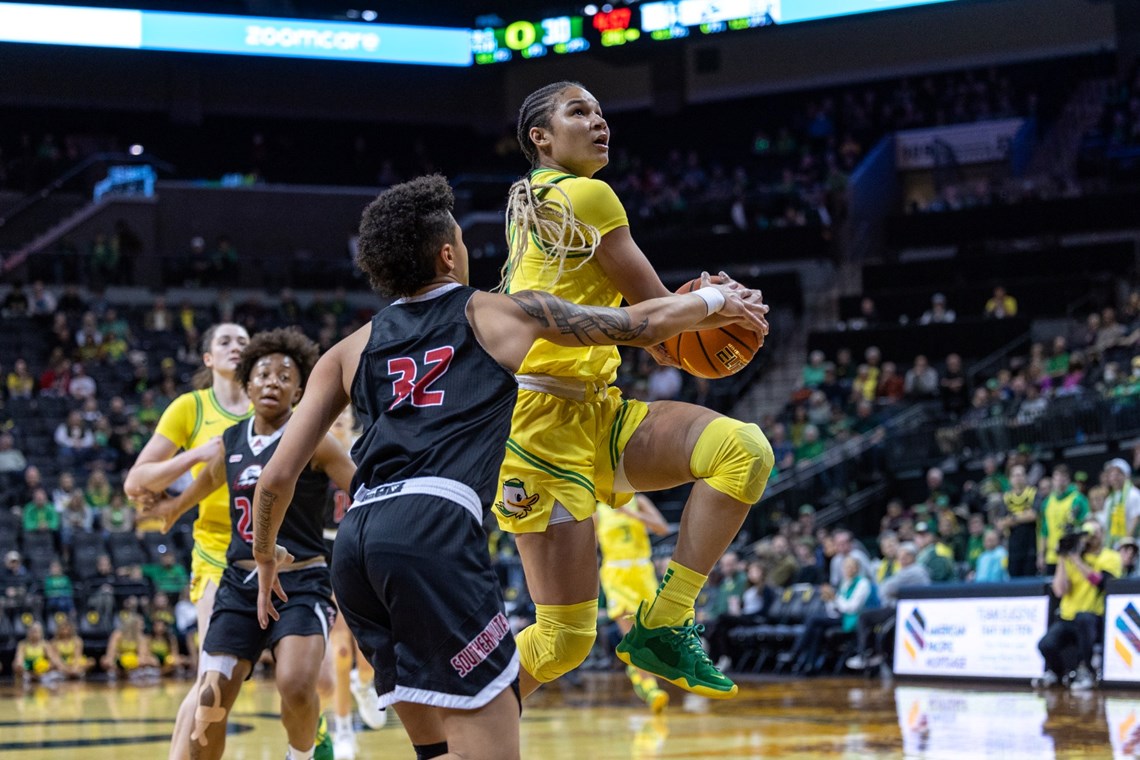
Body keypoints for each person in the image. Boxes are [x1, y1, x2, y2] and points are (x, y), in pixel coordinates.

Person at [250, 175, 768, 760]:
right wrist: (717, 301)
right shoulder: (493, 313)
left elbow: (275, 479)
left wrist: (266, 558)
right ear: (448, 254)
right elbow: (637, 326)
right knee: (489, 744)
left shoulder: (346, 350)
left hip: (358, 545)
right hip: (432, 530)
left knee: (440, 750)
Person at [494, 82, 774, 701]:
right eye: (579, 112)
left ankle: (667, 618)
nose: (599, 123)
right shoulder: (586, 194)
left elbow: (656, 317)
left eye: (601, 112)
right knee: (562, 638)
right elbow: (655, 327)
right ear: (540, 137)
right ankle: (458, 731)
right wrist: (726, 304)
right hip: (538, 425)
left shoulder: (541, 198)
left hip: (597, 407)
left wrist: (706, 308)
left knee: (741, 451)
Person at [142, 328, 350, 760]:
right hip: (239, 585)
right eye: (263, 374)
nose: (273, 381)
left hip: (301, 582)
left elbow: (362, 486)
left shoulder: (314, 437)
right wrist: (175, 507)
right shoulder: (232, 440)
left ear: (299, 390)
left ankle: (303, 754)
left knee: (295, 684)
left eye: (285, 375)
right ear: (247, 384)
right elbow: (210, 480)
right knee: (208, 701)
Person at [124, 322, 251, 760]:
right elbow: (136, 482)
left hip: (277, 550)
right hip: (217, 551)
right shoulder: (190, 408)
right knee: (211, 679)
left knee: (293, 679)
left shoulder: (272, 406)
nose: (237, 346)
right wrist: (197, 455)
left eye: (244, 341)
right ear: (208, 359)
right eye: (225, 341)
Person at [325, 406, 387, 760]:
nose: (337, 423)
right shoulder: (314, 452)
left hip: (361, 543)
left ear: (352, 424)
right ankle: (343, 726)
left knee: (368, 632)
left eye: (342, 419)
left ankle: (365, 683)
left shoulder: (365, 453)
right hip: (325, 547)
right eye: (332, 420)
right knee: (341, 640)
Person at [595, 493, 671, 713]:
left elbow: (662, 528)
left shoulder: (640, 501)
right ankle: (651, 688)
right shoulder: (598, 511)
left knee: (650, 634)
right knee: (633, 636)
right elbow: (588, 545)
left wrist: (631, 513)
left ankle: (636, 671)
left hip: (642, 573)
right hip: (616, 575)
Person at [1034, 520, 1121, 691]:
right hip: (1068, 617)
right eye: (1085, 535)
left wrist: (1076, 560)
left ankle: (1086, 671)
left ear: (1101, 535)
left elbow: (1101, 582)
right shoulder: (1071, 558)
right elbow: (1059, 590)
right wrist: (1062, 557)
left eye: (1093, 534)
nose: (1089, 539)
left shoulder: (1110, 556)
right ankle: (1058, 673)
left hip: (1094, 616)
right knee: (1045, 644)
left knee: (1084, 619)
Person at [780, 556, 871, 675]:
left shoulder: (863, 583)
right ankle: (810, 667)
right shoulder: (845, 582)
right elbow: (836, 607)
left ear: (857, 568)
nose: (847, 570)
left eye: (850, 567)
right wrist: (829, 599)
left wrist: (834, 597)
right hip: (840, 616)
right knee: (817, 629)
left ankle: (796, 652)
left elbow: (852, 608)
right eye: (845, 567)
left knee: (813, 619)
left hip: (853, 619)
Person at [846, 542, 930, 671]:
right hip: (903, 608)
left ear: (912, 557)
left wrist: (889, 591)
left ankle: (864, 655)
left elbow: (886, 588)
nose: (901, 560)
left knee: (864, 617)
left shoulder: (915, 571)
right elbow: (886, 588)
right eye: (899, 557)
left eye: (904, 556)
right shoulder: (908, 570)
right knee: (869, 615)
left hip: (906, 611)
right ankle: (870, 652)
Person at [1038, 465, 1089, 575]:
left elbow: (1086, 526)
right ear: (1052, 480)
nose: (1060, 481)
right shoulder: (1047, 502)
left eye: (1063, 477)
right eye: (1057, 478)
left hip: (1071, 554)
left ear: (1068, 480)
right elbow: (1044, 531)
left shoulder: (1078, 499)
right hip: (1052, 556)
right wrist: (1041, 555)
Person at [997, 464, 1038, 577]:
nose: (1018, 478)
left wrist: (1012, 518)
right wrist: (1023, 516)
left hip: (1031, 545)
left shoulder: (1033, 493)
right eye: (1015, 475)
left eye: (1020, 475)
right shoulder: (1006, 497)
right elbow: (1001, 523)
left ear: (1025, 477)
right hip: (1013, 547)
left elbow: (1033, 515)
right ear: (1010, 479)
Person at [1103, 458, 1140, 544]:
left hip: (1134, 542)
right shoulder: (1109, 500)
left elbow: (1137, 518)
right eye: (1111, 474)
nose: (1114, 477)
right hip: (1115, 544)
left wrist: (1126, 542)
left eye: (1118, 473)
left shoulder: (1134, 494)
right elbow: (1107, 526)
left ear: (1126, 475)